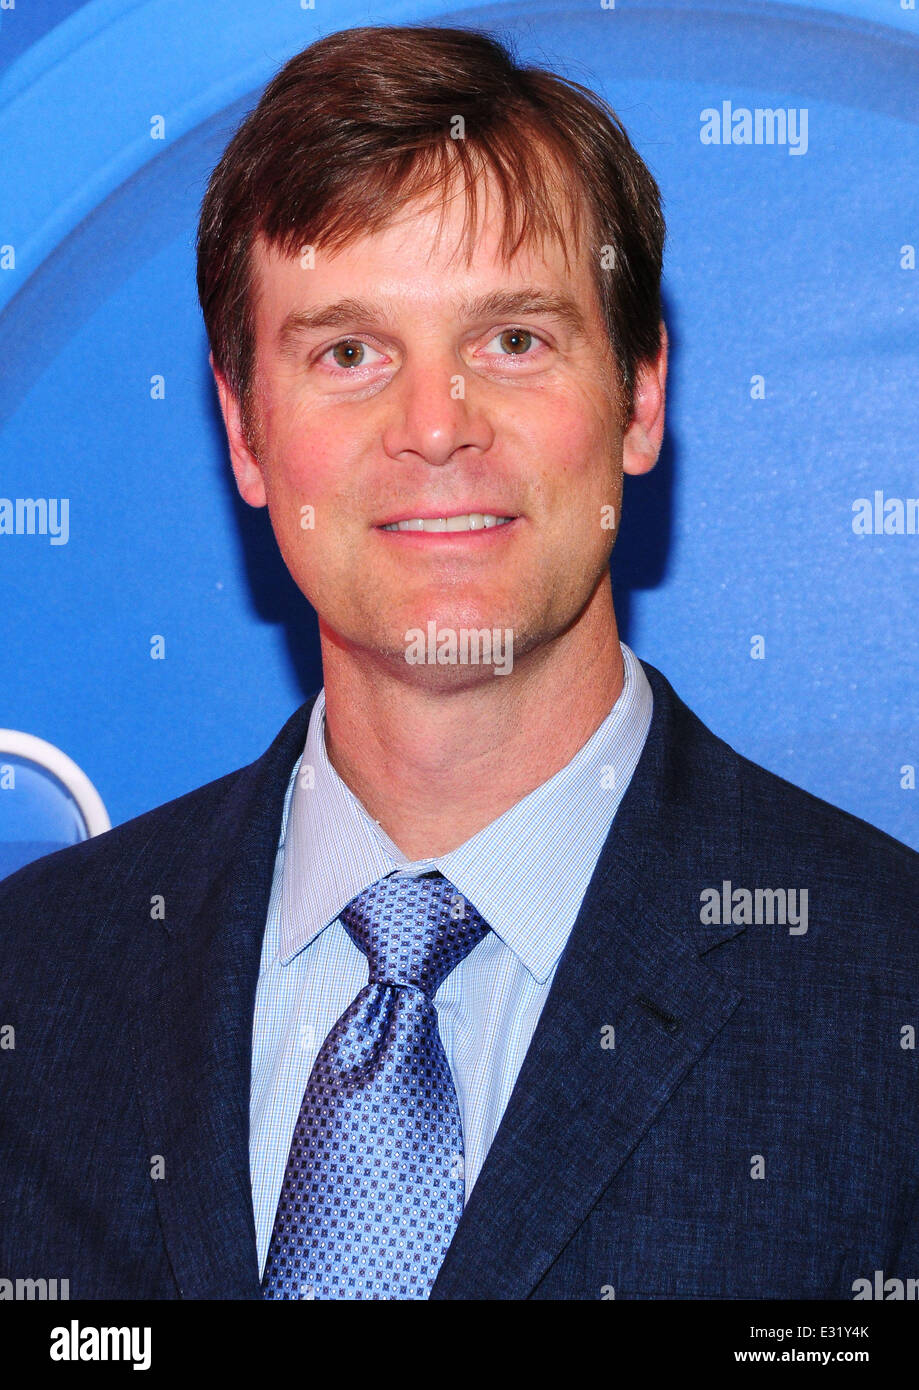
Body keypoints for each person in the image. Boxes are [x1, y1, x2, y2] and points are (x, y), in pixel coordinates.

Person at [1, 24, 917, 1303]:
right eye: (349, 353)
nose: (435, 427)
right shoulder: (31, 987)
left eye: (513, 341)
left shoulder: (887, 998)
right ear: (244, 431)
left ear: (640, 397)